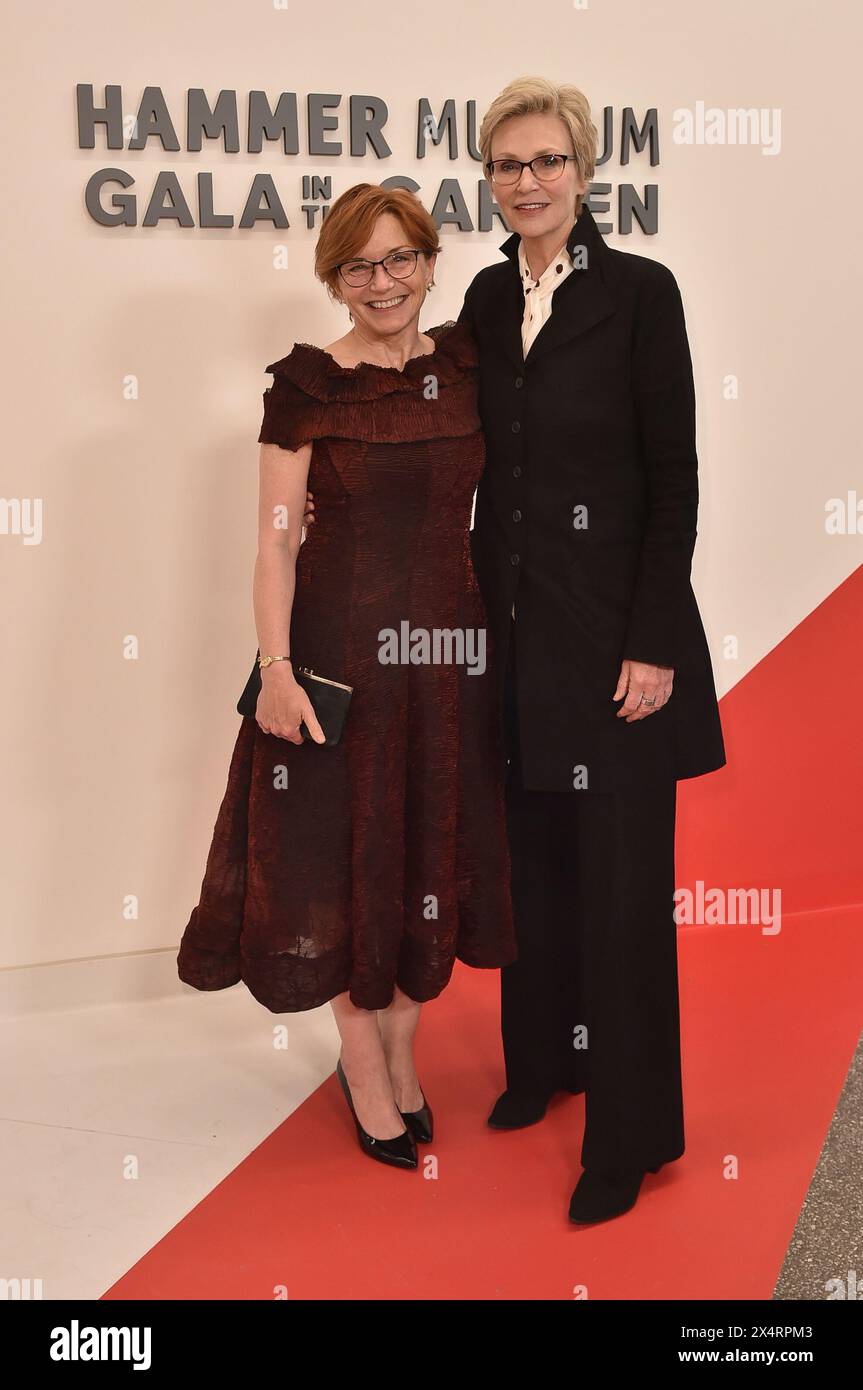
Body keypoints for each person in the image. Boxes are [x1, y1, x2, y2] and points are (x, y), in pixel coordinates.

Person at [306, 76, 726, 1224]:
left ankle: (629, 1135)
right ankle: (543, 1063)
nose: (525, 182)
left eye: (544, 161)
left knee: (624, 893)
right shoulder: (487, 298)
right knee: (532, 871)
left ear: (583, 170)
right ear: (485, 179)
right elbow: (424, 416)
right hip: (514, 644)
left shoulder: (642, 293)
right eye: (505, 166)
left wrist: (651, 644)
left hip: (620, 651)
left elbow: (673, 479)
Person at [177, 183, 517, 1171]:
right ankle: (362, 1058)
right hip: (335, 660)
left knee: (424, 854)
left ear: (427, 259)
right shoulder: (308, 384)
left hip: (448, 660)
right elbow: (276, 546)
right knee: (342, 856)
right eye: (358, 266)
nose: (382, 282)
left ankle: (404, 1046)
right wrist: (276, 670)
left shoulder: (465, 366)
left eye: (398, 259)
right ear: (333, 276)